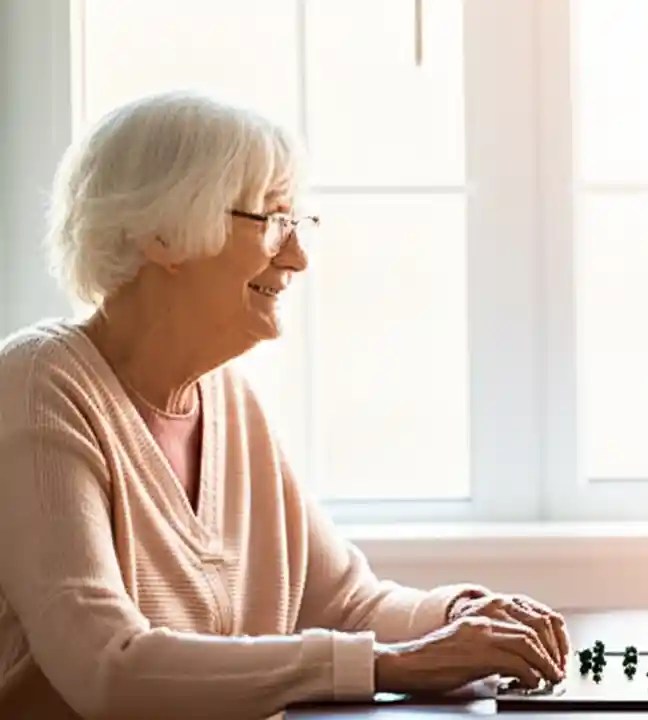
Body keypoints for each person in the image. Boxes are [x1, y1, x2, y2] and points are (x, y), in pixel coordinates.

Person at [0, 92, 568, 719]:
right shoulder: (38, 384)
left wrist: (461, 616)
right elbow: (108, 666)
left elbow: (348, 604)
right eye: (270, 220)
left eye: (296, 223)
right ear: (161, 233)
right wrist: (387, 664)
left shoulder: (228, 400)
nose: (296, 256)